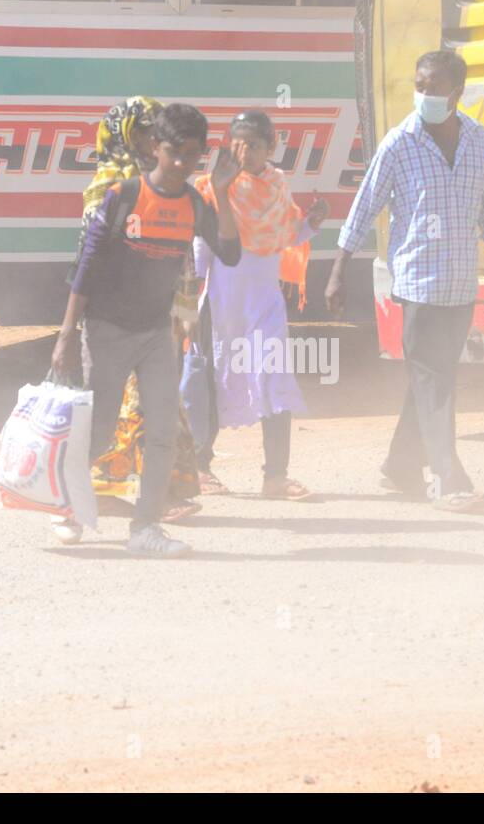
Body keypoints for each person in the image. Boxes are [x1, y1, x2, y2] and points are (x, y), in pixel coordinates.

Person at [326, 50, 484, 513]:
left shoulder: (478, 140)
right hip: (419, 284)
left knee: (433, 376)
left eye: (434, 86)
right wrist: (337, 270)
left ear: (457, 92)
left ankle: (400, 465)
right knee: (434, 377)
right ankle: (447, 476)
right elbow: (364, 206)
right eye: (419, 84)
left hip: (461, 285)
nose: (424, 94)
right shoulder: (399, 143)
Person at [51, 104, 243, 558]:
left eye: (192, 156)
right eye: (174, 152)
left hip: (158, 334)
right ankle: (68, 509)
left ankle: (146, 528)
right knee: (98, 431)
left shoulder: (194, 203)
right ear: (154, 147)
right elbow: (85, 269)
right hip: (107, 332)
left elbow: (231, 254)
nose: (181, 164)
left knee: (161, 433)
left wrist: (220, 190)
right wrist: (65, 335)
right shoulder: (123, 197)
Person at [70, 97, 203, 527]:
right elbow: (92, 259)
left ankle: (153, 496)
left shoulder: (166, 184)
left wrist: (184, 309)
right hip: (114, 320)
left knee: (157, 407)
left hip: (154, 317)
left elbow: (182, 251)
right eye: (147, 132)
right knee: (122, 410)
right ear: (128, 134)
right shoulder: (111, 185)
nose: (154, 141)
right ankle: (102, 495)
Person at [189, 110, 327, 500]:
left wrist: (312, 224)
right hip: (220, 303)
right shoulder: (212, 186)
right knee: (211, 384)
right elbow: (202, 245)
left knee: (274, 381)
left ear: (272, 147)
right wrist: (189, 299)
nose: (244, 151)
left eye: (253, 144)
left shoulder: (278, 187)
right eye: (238, 142)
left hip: (264, 304)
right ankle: (200, 468)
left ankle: (276, 476)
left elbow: (284, 236)